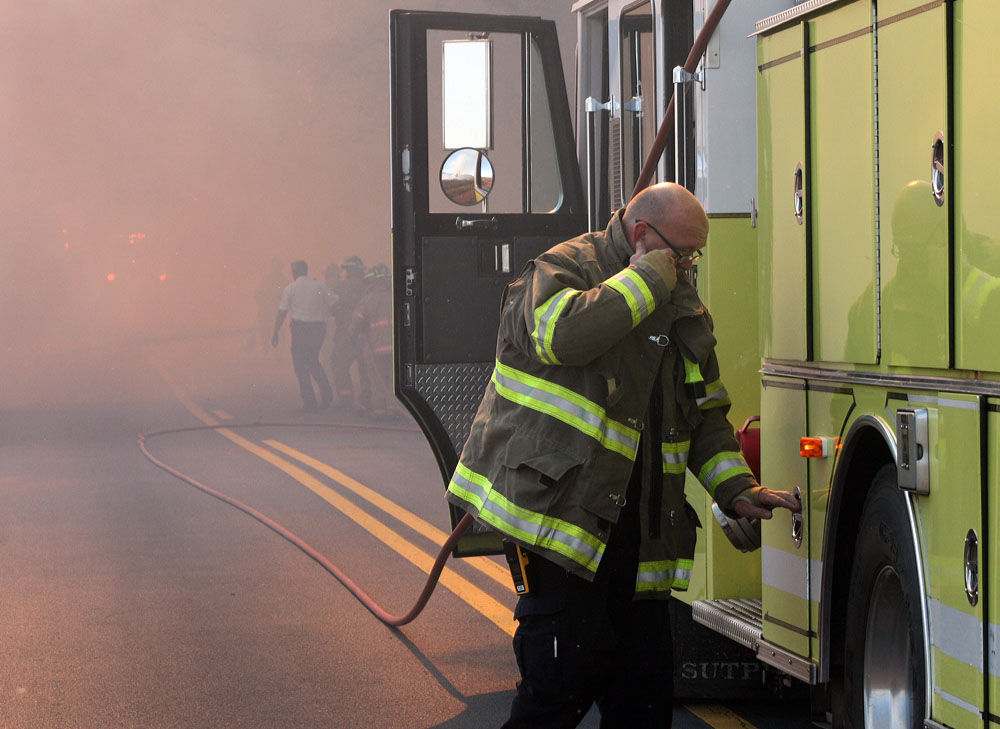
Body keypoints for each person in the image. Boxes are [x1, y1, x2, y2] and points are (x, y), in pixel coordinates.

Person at [445, 183, 801, 728]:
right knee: (557, 694)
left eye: (693, 257)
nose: (688, 267)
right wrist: (645, 280)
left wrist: (737, 489)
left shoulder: (681, 303)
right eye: (682, 254)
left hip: (640, 540)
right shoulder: (560, 271)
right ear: (642, 235)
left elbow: (703, 412)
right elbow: (562, 337)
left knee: (643, 701)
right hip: (557, 530)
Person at [271, 260, 335, 412]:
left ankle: (310, 403)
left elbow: (282, 312)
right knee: (313, 360)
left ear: (294, 272)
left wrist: (275, 331)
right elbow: (334, 303)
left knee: (300, 367)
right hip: (318, 329)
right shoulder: (319, 285)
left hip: (300, 330)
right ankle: (327, 393)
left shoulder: (290, 288)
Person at [349, 264, 393, 418]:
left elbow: (357, 320)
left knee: (377, 380)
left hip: (376, 348)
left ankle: (381, 411)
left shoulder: (368, 300)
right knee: (393, 381)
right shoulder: (396, 297)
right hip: (397, 350)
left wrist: (352, 336)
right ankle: (394, 410)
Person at [330, 255, 371, 412]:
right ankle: (367, 399)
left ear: (349, 270)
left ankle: (346, 399)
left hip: (345, 334)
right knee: (366, 368)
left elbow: (332, 308)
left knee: (339, 364)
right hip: (365, 334)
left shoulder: (340, 287)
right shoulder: (367, 286)